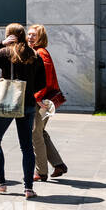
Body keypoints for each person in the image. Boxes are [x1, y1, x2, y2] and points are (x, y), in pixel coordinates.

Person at [0, 24, 46, 198]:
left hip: (8, 102)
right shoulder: (34, 55)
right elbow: (42, 83)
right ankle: (28, 188)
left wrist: (1, 43)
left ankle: (0, 183)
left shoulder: (6, 52)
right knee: (26, 146)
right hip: (29, 104)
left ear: (10, 36)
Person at [27, 24, 68, 181]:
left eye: (34, 35)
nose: (30, 37)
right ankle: (58, 165)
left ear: (41, 38)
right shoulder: (36, 52)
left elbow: (46, 78)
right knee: (40, 132)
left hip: (42, 101)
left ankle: (41, 171)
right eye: (29, 34)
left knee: (34, 133)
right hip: (42, 99)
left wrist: (37, 98)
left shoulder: (41, 53)